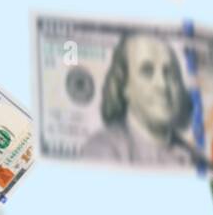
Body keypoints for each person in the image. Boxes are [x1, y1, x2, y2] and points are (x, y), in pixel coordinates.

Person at [79, 31, 204, 167]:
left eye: (168, 72)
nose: (162, 84)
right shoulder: (101, 150)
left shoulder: (193, 157)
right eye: (147, 71)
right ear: (124, 86)